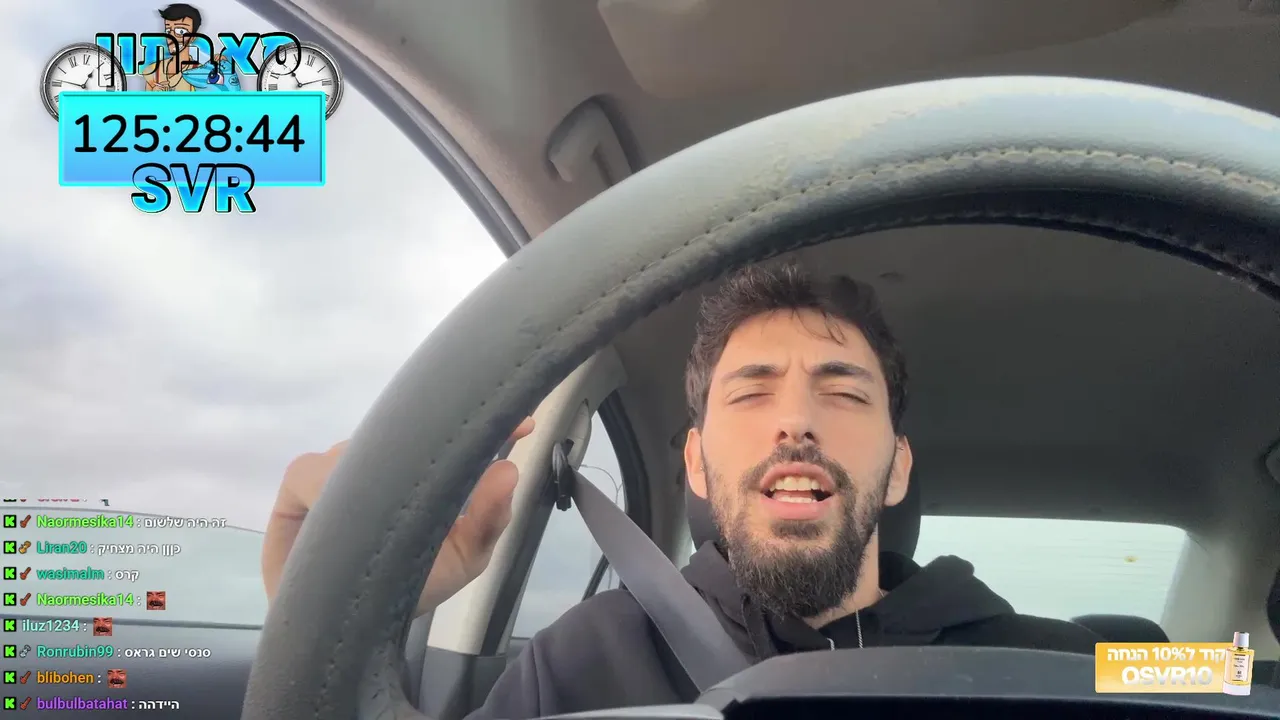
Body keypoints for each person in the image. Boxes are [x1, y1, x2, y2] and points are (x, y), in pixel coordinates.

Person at [263, 263, 1103, 718]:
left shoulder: (1065, 665)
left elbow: (1191, 668)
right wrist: (338, 620)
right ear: (697, 464)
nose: (797, 421)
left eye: (844, 393)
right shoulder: (580, 661)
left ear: (899, 468)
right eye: (752, 392)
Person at [142, 4, 241, 92]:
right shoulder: (153, 70)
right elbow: (144, 104)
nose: (171, 37)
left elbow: (228, 93)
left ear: (193, 37)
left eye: (180, 31)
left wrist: (225, 68)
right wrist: (153, 96)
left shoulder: (200, 73)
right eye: (168, 31)